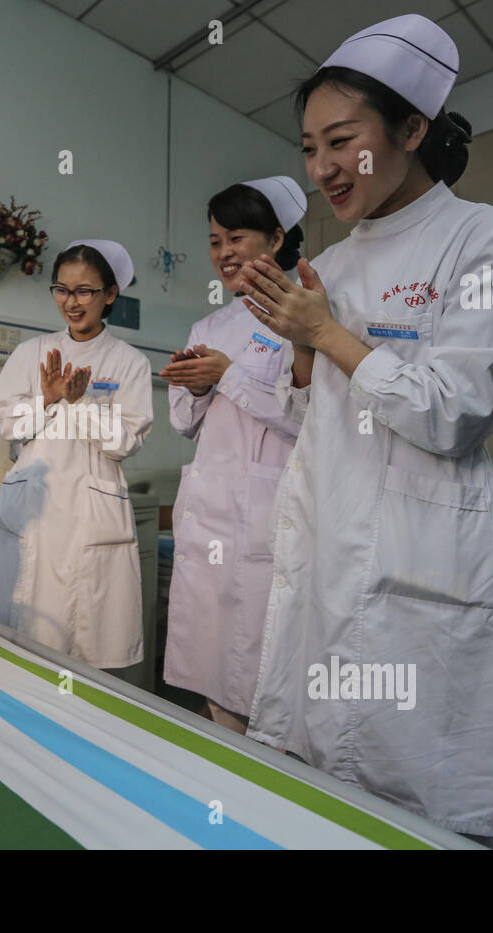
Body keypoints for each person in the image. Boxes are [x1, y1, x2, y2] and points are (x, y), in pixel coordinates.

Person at [239, 14, 493, 840]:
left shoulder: (490, 240)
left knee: (425, 805)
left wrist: (327, 333)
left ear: (411, 130)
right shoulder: (329, 267)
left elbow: (454, 412)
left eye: (342, 141)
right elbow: (315, 420)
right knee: (321, 799)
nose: (322, 168)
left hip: (423, 566)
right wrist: (305, 355)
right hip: (326, 549)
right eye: (309, 148)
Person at [159, 176, 307, 733]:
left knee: (262, 667)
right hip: (210, 510)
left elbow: (308, 417)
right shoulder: (210, 324)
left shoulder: (302, 314)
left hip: (269, 510)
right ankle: (221, 744)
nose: (223, 253)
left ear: (276, 239)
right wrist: (198, 387)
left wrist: (228, 375)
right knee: (211, 660)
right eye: (215, 241)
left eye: (236, 238)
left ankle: (263, 760)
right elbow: (184, 423)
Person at [0, 240, 154, 669]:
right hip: (33, 505)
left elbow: (126, 441)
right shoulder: (30, 353)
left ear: (110, 294)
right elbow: (7, 423)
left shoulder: (129, 362)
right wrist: (48, 398)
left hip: (89, 514)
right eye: (62, 289)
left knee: (82, 647)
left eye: (84, 291)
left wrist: (80, 403)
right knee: (21, 639)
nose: (71, 302)